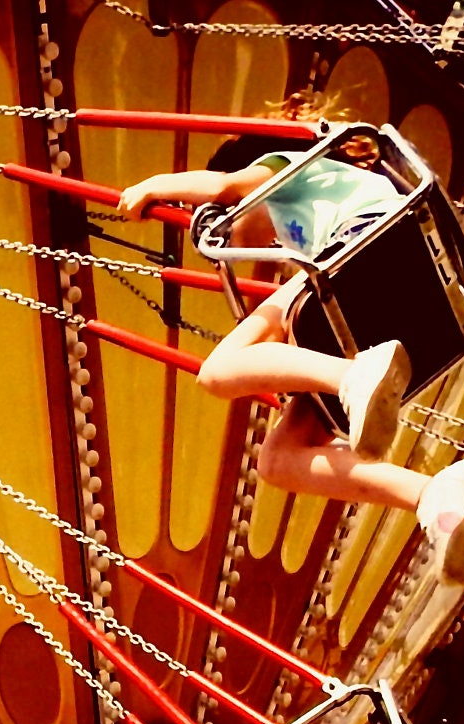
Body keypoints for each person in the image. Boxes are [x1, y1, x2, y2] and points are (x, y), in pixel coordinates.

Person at [116, 127, 432, 514]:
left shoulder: (286, 165)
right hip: (392, 291)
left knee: (219, 370)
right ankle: (431, 498)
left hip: (367, 246)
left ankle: (351, 379)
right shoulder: (307, 214)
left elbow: (223, 186)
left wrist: (156, 186)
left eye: (223, 216)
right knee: (278, 460)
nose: (225, 229)